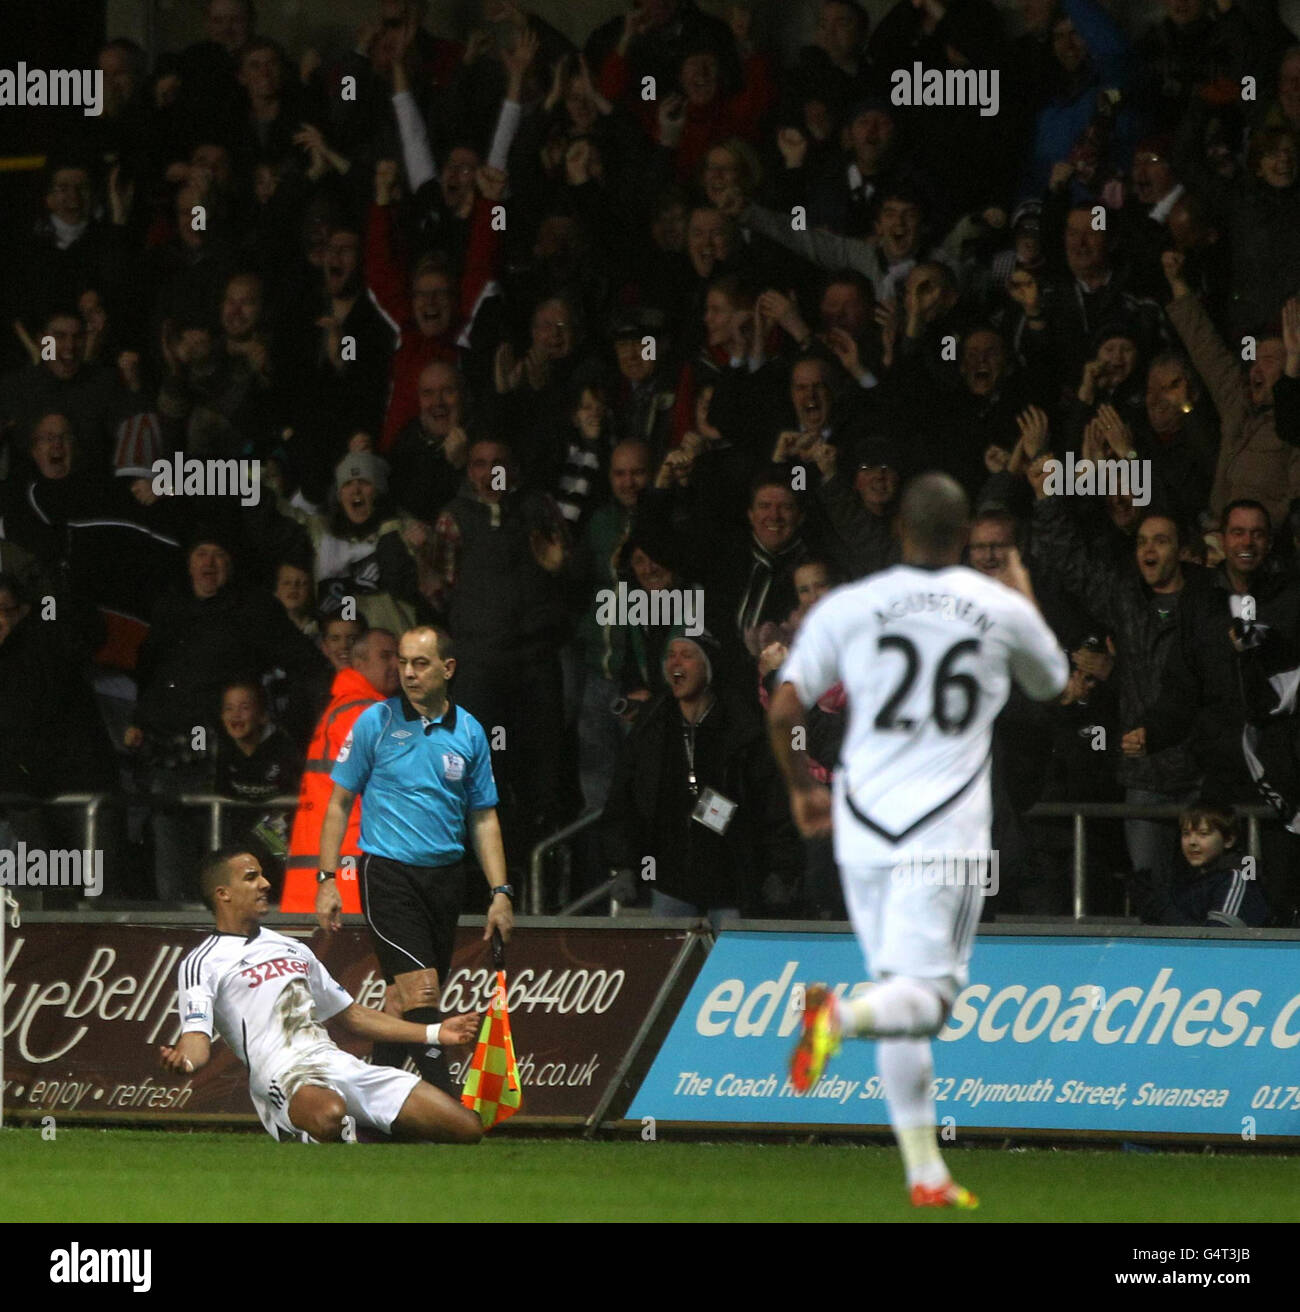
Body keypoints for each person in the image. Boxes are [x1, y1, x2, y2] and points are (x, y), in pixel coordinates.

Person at [767, 472, 1067, 1208]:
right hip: (945, 831)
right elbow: (1054, 683)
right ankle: (838, 1015)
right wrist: (1021, 584)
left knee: (901, 985)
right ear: (965, 537)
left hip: (862, 828)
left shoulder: (851, 604)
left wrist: (805, 790)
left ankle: (925, 1171)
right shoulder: (996, 606)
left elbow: (783, 707)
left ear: (898, 528)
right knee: (927, 1001)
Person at [161, 846, 483, 1144]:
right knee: (329, 1114)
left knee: (466, 1128)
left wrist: (435, 1032)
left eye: (261, 874)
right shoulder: (202, 962)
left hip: (334, 1062)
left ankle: (366, 1132)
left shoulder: (292, 947)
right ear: (223, 894)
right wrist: (186, 1062)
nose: (265, 883)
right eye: (251, 877)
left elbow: (353, 1015)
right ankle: (311, 1124)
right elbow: (196, 1038)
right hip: (282, 1073)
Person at [314, 625, 513, 1095]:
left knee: (403, 1001)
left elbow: (483, 817)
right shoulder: (375, 722)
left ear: (448, 669)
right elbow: (338, 802)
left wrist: (500, 893)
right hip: (387, 874)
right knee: (423, 992)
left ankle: (367, 1101)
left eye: (419, 663)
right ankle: (448, 1107)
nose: (407, 672)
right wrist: (327, 879)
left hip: (446, 878)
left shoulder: (469, 731)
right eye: (402, 662)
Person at [282, 627, 399, 913]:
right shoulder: (365, 713)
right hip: (347, 881)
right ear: (358, 662)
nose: (397, 664)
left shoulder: (343, 707)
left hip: (317, 880)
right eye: (386, 656)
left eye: (399, 656)